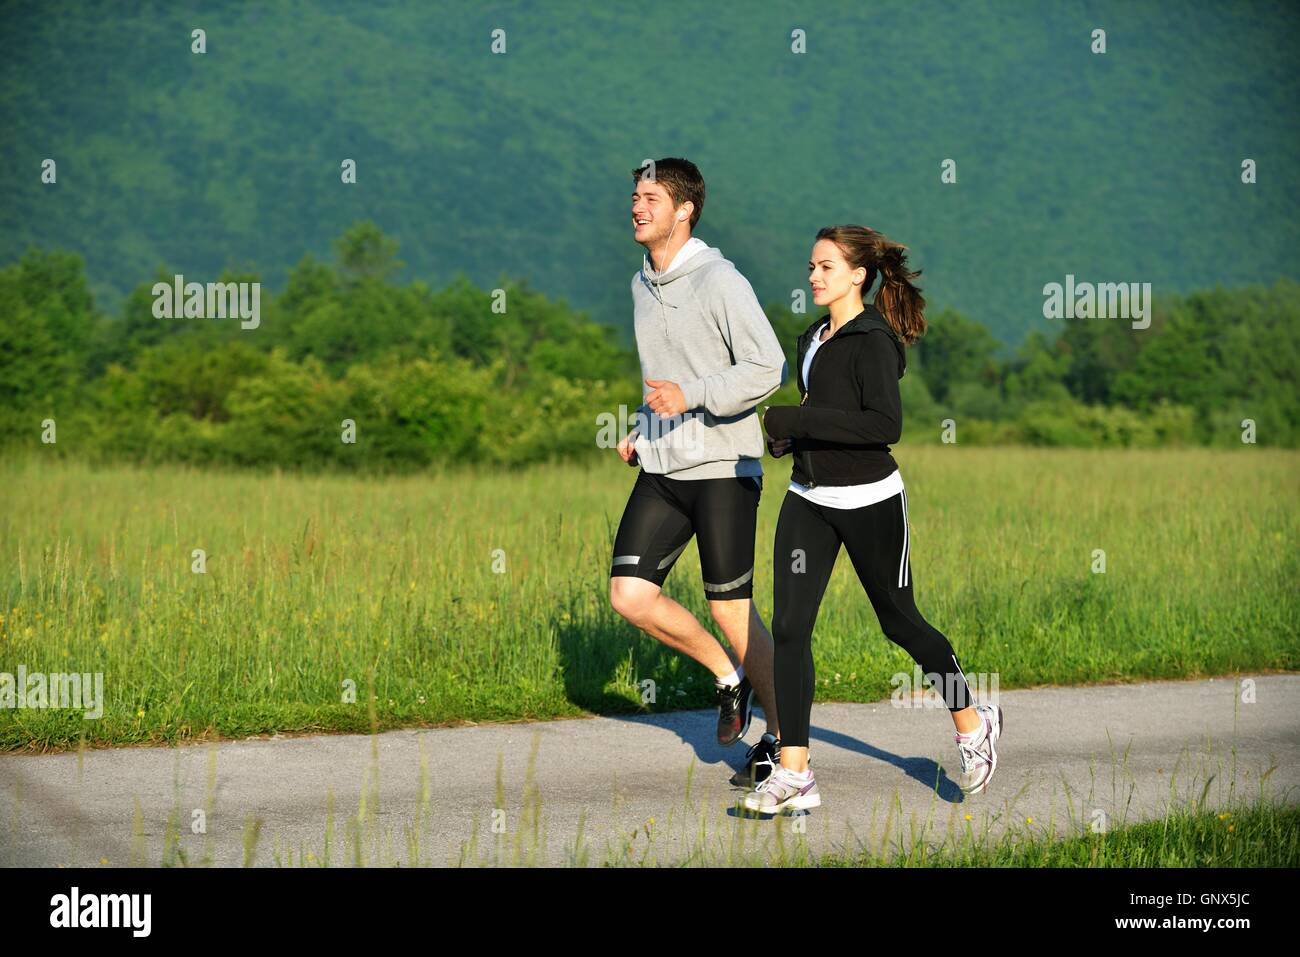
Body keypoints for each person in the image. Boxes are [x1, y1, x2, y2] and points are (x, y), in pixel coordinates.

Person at [744, 225, 1003, 813]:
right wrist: (790, 439)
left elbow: (883, 426)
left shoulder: (874, 339)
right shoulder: (814, 335)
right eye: (811, 266)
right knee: (789, 630)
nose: (813, 276)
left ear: (858, 275)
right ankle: (796, 774)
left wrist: (798, 423)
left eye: (826, 267)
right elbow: (821, 416)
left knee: (900, 621)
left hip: (869, 500)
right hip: (809, 499)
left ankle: (972, 720)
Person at [609, 157, 786, 783]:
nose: (637, 206)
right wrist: (643, 423)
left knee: (730, 608)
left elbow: (767, 368)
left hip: (722, 466)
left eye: (651, 196)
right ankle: (728, 674)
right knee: (629, 595)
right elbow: (666, 376)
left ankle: (786, 740)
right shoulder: (642, 284)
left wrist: (692, 395)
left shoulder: (719, 281)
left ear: (684, 210)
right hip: (665, 463)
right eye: (635, 195)